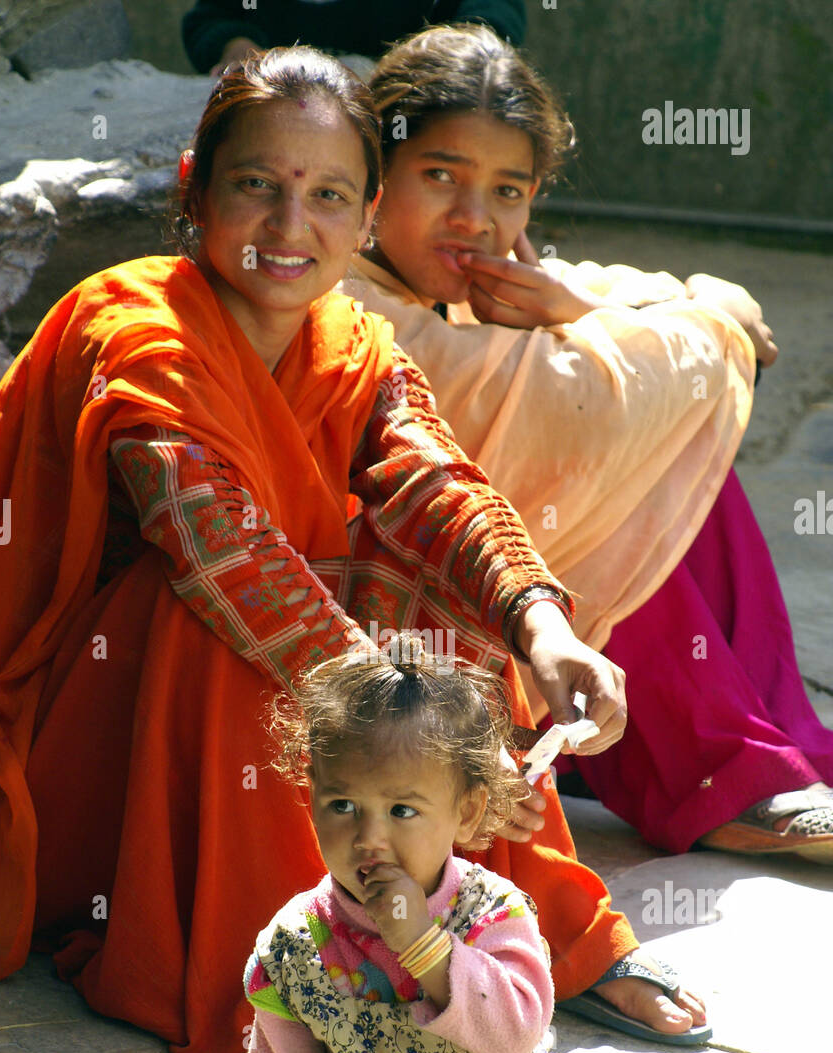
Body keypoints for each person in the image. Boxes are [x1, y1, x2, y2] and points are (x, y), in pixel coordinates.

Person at [0, 47, 684, 1053]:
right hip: (88, 744)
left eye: (328, 196)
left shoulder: (349, 339)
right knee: (209, 626)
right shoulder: (134, 327)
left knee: (436, 593)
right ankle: (273, 971)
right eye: (257, 186)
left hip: (273, 695)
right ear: (193, 192)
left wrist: (544, 625)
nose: (289, 228)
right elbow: (224, 555)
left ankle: (537, 934)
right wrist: (441, 746)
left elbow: (435, 482)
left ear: (365, 213)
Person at [339, 22, 833, 871]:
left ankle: (771, 741)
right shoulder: (349, 293)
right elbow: (587, 402)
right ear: (374, 176)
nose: (475, 217)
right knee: (611, 456)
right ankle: (718, 776)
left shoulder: (477, 287)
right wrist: (704, 325)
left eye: (508, 191)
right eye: (440, 176)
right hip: (381, 610)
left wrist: (575, 309)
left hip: (484, 612)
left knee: (663, 433)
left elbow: (659, 308)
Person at [242, 637, 799, 1053]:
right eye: (342, 806)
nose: (369, 837)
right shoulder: (293, 947)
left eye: (402, 811)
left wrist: (425, 948)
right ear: (310, 794)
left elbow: (514, 1032)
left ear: (466, 811)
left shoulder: (492, 909)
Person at [180, 1, 526, 77]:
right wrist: (236, 47)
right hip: (280, 108)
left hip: (403, 114)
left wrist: (432, 63)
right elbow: (211, 17)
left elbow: (494, 20)